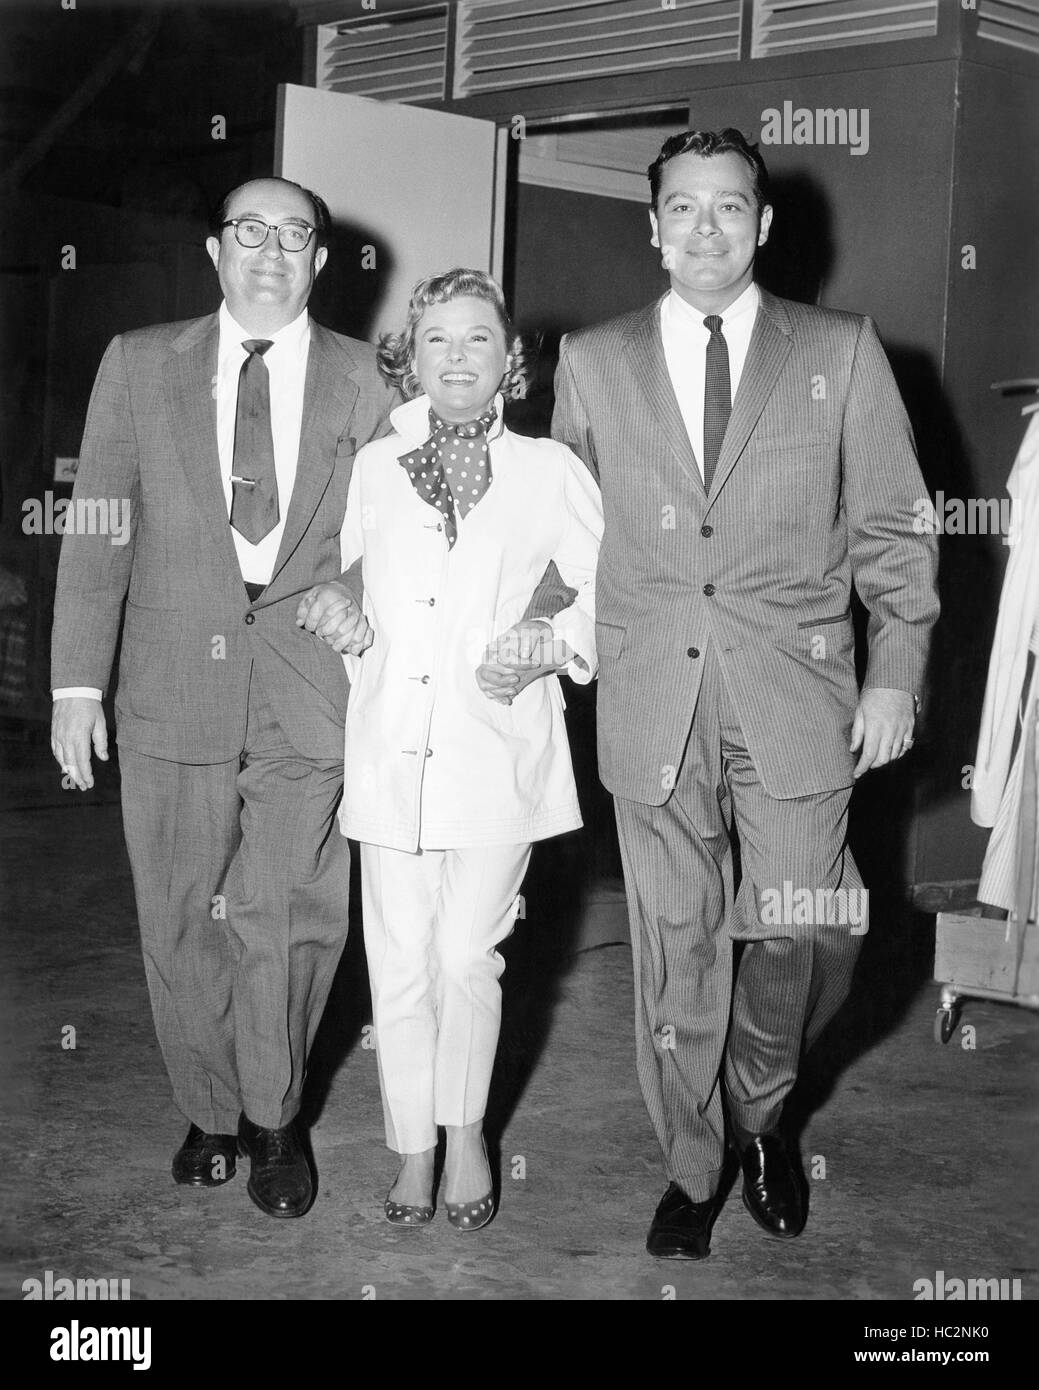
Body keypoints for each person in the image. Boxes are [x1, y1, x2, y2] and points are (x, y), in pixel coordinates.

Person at [531, 128, 940, 1258]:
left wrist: (896, 671)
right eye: (681, 208)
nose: (703, 228)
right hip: (650, 692)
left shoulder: (839, 350)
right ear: (650, 224)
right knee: (676, 941)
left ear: (762, 225)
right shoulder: (594, 358)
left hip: (797, 693)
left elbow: (896, 532)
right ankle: (696, 1160)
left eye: (728, 208)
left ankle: (763, 1105)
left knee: (805, 922)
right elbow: (565, 541)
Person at [50, 177, 392, 1219]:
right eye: (252, 232)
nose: (273, 254)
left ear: (320, 263)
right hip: (166, 683)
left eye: (297, 238)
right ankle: (206, 1107)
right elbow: (101, 522)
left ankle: (274, 1117)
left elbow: (403, 537)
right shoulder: (138, 362)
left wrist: (354, 591)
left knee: (289, 916)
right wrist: (74, 681)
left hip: (308, 689)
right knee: (180, 912)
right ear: (215, 251)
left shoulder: (368, 380)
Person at [297, 268, 603, 1229]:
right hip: (390, 749)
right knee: (397, 963)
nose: (457, 356)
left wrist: (549, 639)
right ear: (408, 359)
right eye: (437, 339)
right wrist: (343, 613)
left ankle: (467, 1129)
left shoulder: (551, 470)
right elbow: (358, 575)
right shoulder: (377, 469)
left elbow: (594, 588)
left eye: (478, 339)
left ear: (509, 362)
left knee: (468, 954)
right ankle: (411, 1148)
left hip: (496, 753)